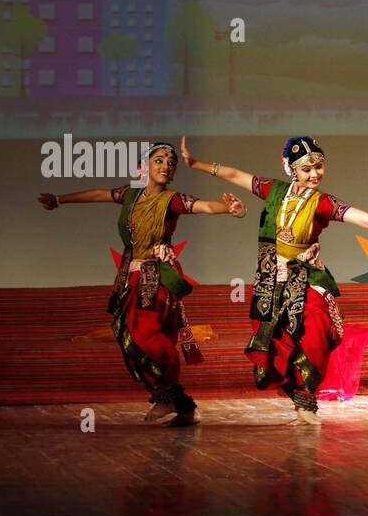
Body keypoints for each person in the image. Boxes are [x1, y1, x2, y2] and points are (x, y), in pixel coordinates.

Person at [181, 135, 368, 424]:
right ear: (291, 169)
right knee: (276, 345)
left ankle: (307, 403)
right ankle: (298, 399)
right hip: (270, 283)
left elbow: (364, 218)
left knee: (315, 331)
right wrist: (196, 164)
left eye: (318, 167)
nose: (315, 174)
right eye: (306, 169)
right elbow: (236, 175)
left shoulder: (322, 203)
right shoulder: (273, 191)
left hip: (306, 277)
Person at [38, 142, 246, 425]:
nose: (166, 166)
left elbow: (202, 206)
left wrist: (227, 208)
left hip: (156, 278)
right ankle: (180, 405)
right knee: (129, 335)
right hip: (131, 277)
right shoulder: (131, 195)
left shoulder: (171, 200)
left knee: (149, 337)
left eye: (170, 163)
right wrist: (61, 200)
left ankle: (168, 396)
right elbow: (99, 194)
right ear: (144, 166)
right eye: (159, 160)